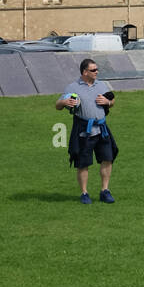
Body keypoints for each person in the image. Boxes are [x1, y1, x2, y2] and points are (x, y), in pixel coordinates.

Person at [56, 59, 118, 204]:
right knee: (83, 163)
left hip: (102, 129)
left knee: (108, 159)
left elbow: (113, 100)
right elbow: (58, 105)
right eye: (93, 70)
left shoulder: (101, 85)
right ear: (85, 72)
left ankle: (105, 191)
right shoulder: (73, 87)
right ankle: (84, 193)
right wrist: (64, 102)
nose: (97, 72)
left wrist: (108, 102)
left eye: (97, 69)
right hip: (84, 130)